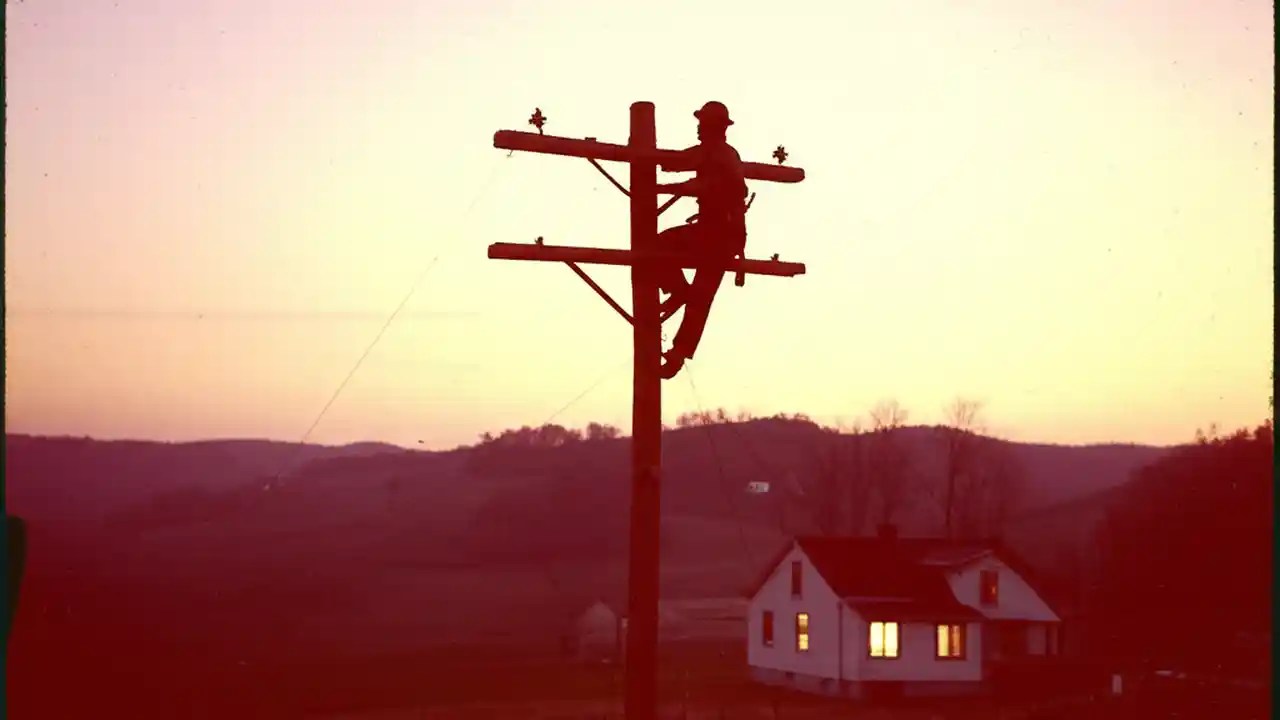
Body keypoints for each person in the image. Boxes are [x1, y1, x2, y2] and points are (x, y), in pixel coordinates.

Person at [653, 101, 749, 379]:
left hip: (715, 234)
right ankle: (678, 354)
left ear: (710, 127)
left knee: (659, 246)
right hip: (726, 238)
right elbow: (680, 162)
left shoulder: (717, 153)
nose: (697, 128)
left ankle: (678, 292)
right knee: (701, 298)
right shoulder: (723, 154)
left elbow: (691, 172)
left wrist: (663, 181)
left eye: (701, 123)